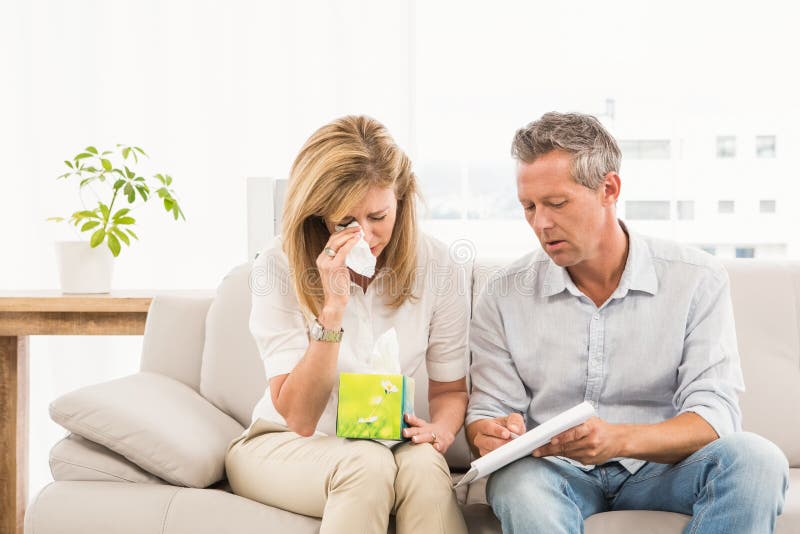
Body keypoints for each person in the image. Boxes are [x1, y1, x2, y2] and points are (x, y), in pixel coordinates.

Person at [466, 112, 789, 533]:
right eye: (529, 207)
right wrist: (489, 432)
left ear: (609, 189)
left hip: (666, 470)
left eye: (557, 203)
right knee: (516, 484)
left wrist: (616, 439)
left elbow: (714, 415)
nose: (541, 223)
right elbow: (489, 410)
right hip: (555, 473)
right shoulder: (503, 294)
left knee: (758, 461)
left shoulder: (696, 279)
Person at [226, 115, 469, 534]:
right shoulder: (278, 267)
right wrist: (333, 306)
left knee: (427, 468)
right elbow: (299, 417)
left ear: (402, 199)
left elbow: (450, 390)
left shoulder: (439, 266)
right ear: (319, 216)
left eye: (378, 216)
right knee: (366, 464)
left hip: (390, 441)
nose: (365, 236)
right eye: (345, 222)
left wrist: (441, 431)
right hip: (284, 442)